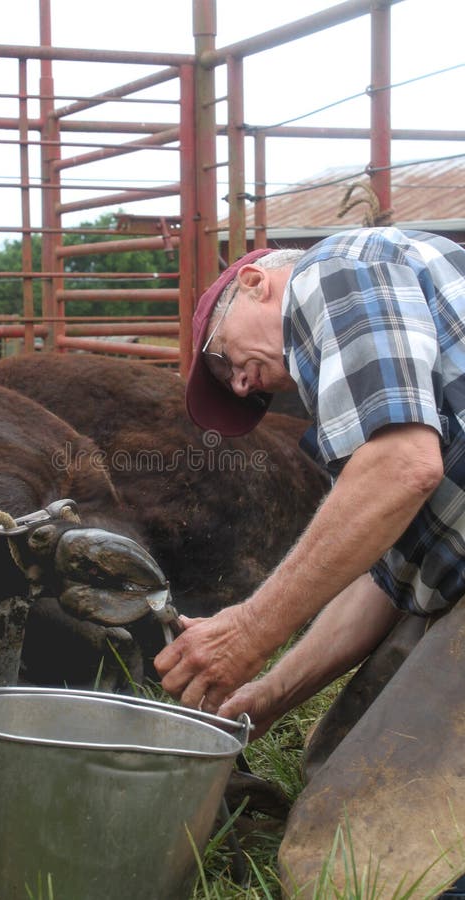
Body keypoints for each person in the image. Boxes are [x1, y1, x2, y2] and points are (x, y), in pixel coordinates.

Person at [154, 226, 465, 741]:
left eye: (220, 358)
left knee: (371, 799)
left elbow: (402, 467)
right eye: (231, 384)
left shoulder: (330, 270)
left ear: (255, 283)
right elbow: (385, 572)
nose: (240, 383)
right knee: (331, 751)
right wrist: (274, 692)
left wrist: (250, 630)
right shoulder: (359, 370)